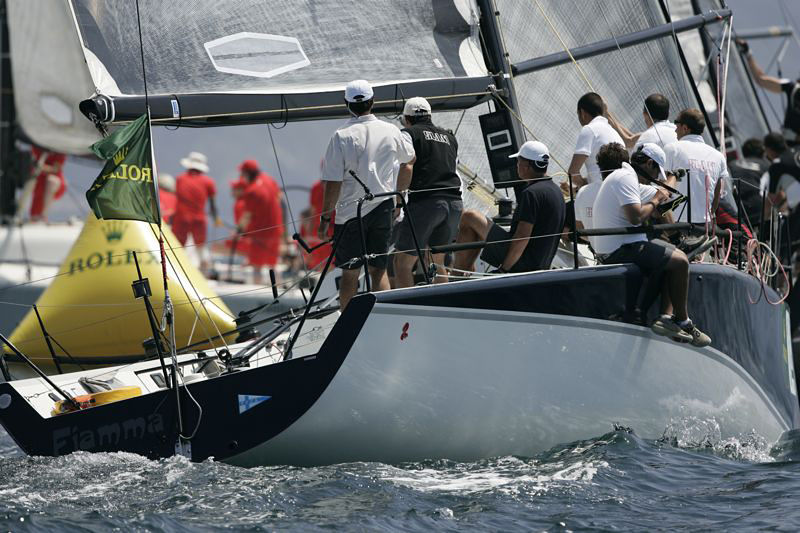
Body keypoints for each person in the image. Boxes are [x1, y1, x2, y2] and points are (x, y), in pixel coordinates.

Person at [592, 143, 711, 347]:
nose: (655, 177)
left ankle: (665, 319)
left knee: (675, 254)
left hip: (623, 244)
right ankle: (684, 321)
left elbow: (662, 205)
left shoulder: (627, 178)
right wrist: (657, 199)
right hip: (619, 249)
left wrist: (661, 198)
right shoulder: (625, 177)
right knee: (681, 262)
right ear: (649, 163)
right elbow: (637, 217)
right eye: (656, 171)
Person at [319, 79, 415, 310]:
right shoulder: (391, 130)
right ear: (373, 102)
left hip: (350, 214)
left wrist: (325, 219)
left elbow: (333, 182)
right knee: (378, 269)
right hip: (383, 208)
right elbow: (409, 161)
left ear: (347, 104)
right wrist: (398, 199)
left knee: (350, 273)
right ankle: (383, 320)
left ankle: (347, 326)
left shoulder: (341, 136)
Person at [453, 141, 565, 273]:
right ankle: (465, 270)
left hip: (522, 262)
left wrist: (504, 269)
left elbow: (522, 237)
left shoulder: (531, 193)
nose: (517, 165)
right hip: (540, 264)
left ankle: (457, 275)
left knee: (469, 216)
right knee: (472, 223)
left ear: (527, 166)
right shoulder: (557, 192)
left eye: (518, 162)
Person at [393, 97, 462, 288]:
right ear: (429, 116)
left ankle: (407, 313)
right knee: (436, 262)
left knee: (402, 264)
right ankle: (442, 307)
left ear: (407, 118)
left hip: (427, 203)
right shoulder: (450, 138)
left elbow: (407, 166)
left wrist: (398, 203)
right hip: (455, 204)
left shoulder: (408, 134)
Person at [663, 108, 726, 225]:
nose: (675, 129)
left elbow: (663, 187)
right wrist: (710, 215)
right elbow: (717, 193)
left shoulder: (672, 149)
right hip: (705, 224)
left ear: (685, 128)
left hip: (675, 224)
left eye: (676, 123)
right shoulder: (719, 156)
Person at [739, 39, 800, 142]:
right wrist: (748, 53)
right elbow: (761, 80)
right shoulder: (792, 88)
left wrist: (795, 137)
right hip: (788, 147)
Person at [575, 142, 630, 251]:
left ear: (599, 166)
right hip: (627, 253)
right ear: (625, 166)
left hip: (600, 254)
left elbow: (580, 231)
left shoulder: (582, 192)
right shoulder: (626, 190)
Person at [236, 159, 284, 285]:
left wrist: (239, 230)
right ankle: (278, 289)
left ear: (247, 174)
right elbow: (279, 198)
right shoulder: (269, 179)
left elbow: (247, 215)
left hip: (260, 233)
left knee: (257, 265)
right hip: (276, 229)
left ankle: (257, 290)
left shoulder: (251, 191)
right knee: (273, 263)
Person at [172, 151, 220, 272]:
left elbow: (174, 198)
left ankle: (177, 271)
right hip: (199, 218)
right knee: (201, 247)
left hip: (181, 217)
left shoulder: (180, 179)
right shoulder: (209, 182)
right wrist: (216, 218)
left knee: (177, 247)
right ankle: (204, 274)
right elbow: (213, 204)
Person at [567, 92, 625, 190]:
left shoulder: (589, 129)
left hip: (603, 191)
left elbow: (573, 172)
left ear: (582, 113)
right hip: (622, 187)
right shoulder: (613, 132)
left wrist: (582, 184)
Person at [608, 93, 678, 151]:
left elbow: (627, 142)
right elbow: (632, 138)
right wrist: (613, 119)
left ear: (645, 114)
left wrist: (606, 112)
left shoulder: (648, 137)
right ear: (668, 113)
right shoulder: (677, 131)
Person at [729, 138, 768, 232]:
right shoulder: (767, 165)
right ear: (763, 152)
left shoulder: (731, 164)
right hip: (759, 208)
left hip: (737, 209)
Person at [29, 145, 67, 222]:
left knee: (51, 181)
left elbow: (56, 169)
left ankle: (43, 216)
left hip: (55, 183)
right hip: (38, 181)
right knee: (34, 216)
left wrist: (41, 166)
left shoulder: (60, 148)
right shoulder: (36, 146)